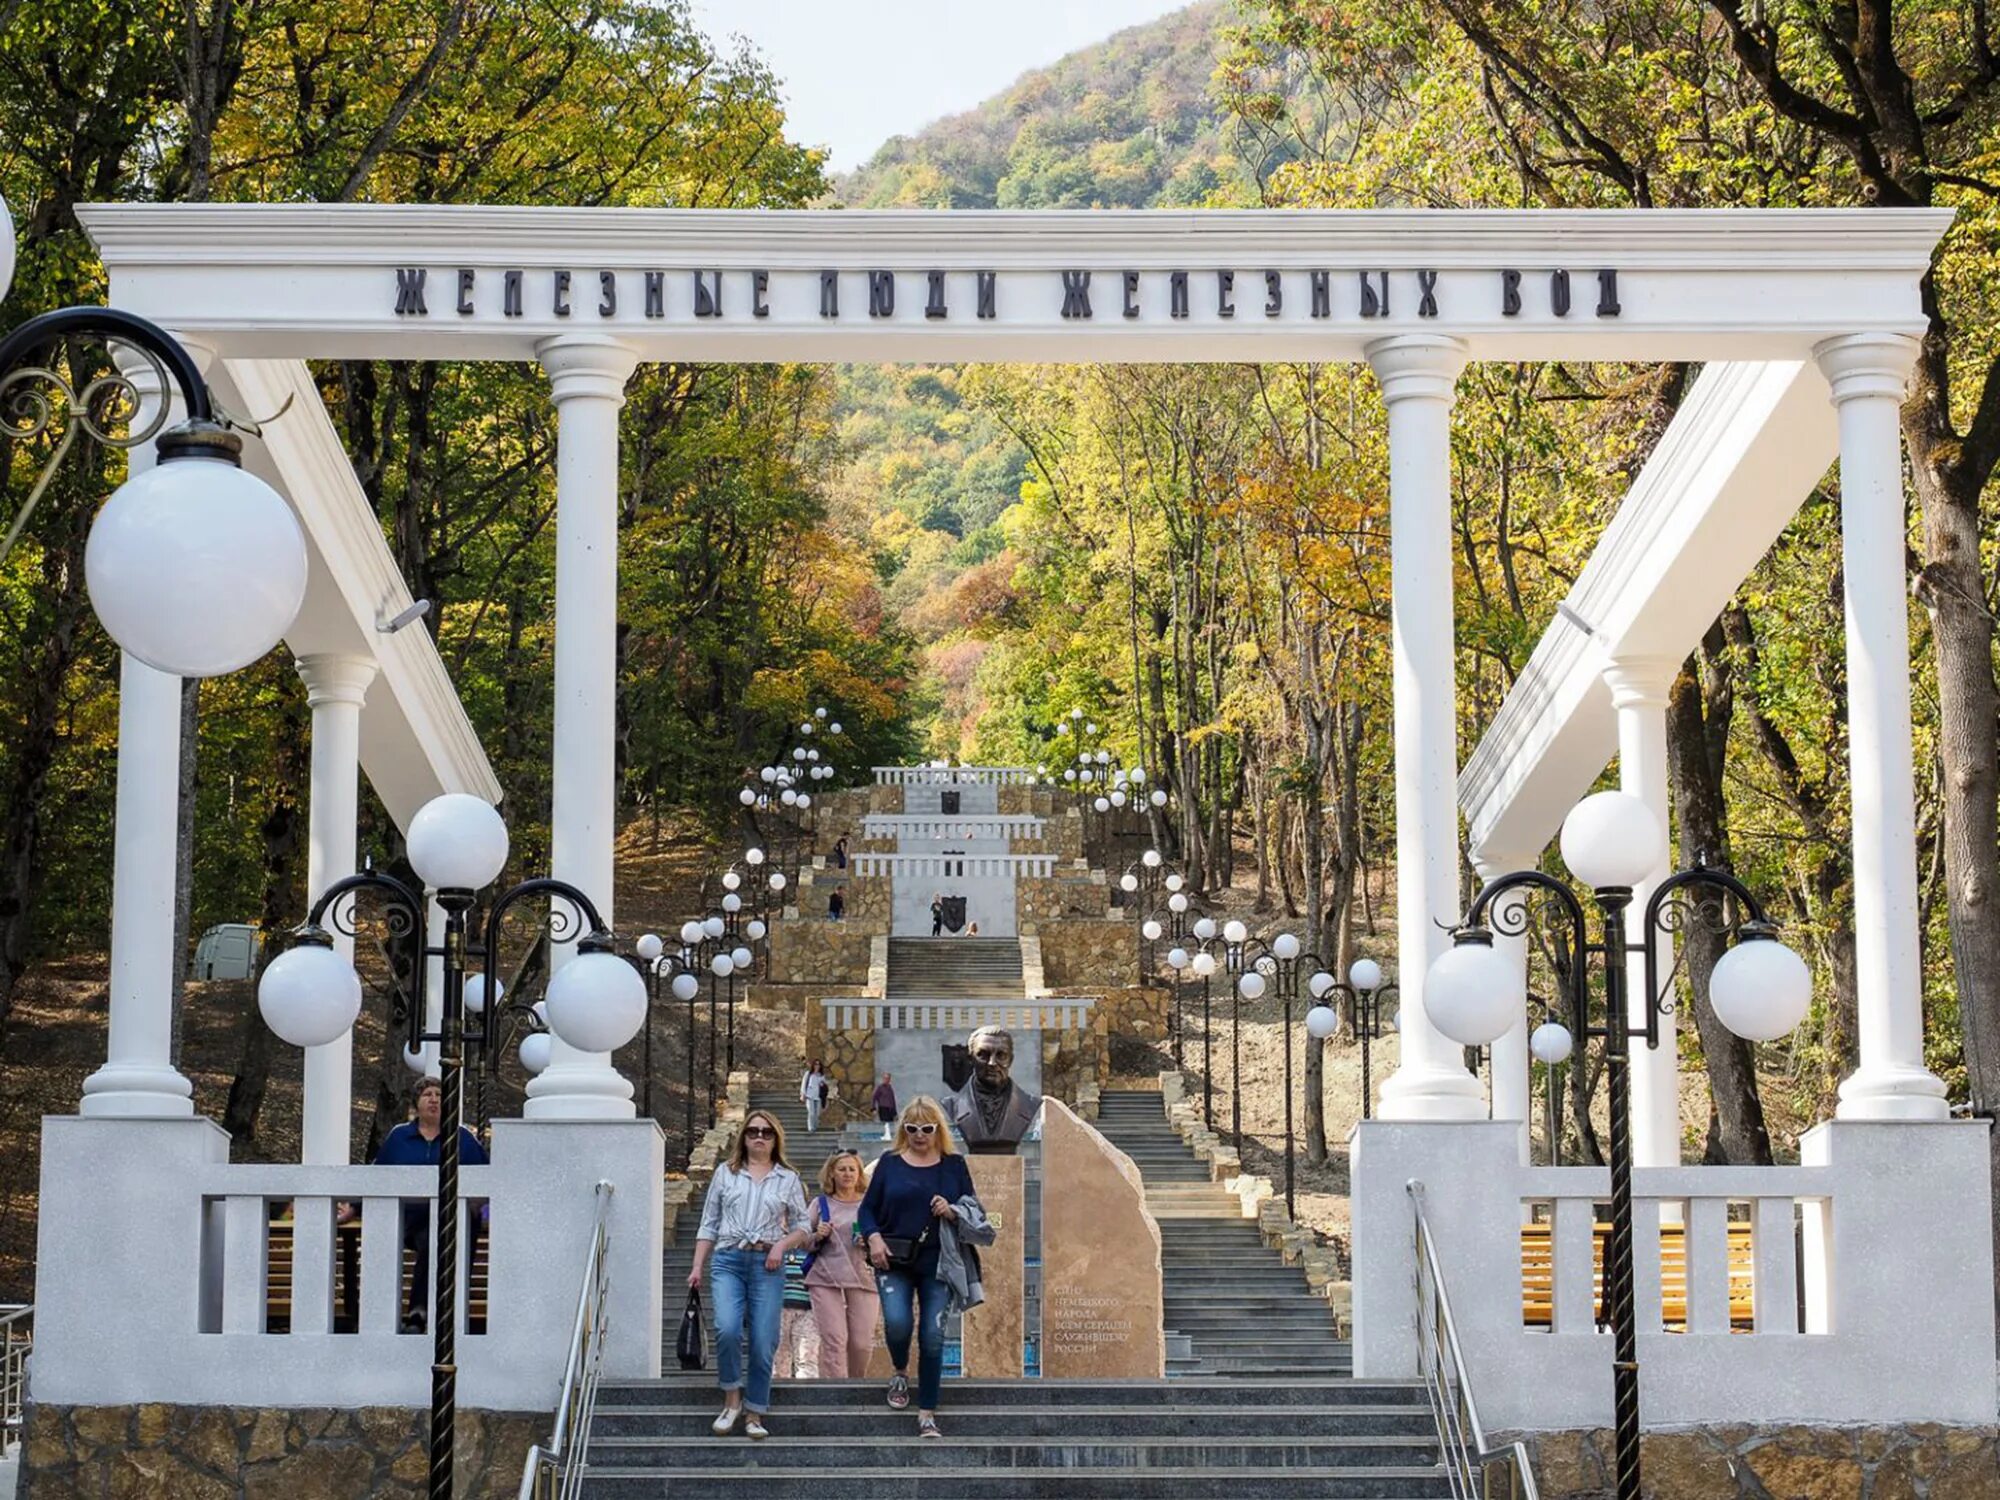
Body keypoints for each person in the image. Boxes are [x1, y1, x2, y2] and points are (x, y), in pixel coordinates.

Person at [858, 1096, 984, 1438]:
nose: (919, 1135)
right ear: (903, 1130)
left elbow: (974, 1208)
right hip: (892, 1258)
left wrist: (952, 1210)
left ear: (938, 1130)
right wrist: (873, 1239)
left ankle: (927, 1411)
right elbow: (866, 1210)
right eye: (911, 1128)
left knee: (932, 1334)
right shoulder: (889, 1163)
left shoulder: (953, 1165)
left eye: (926, 1128)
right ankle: (900, 1370)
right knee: (898, 1325)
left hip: (939, 1262)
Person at [689, 1109, 809, 1439]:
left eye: (766, 1132)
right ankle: (732, 1400)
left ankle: (755, 1411)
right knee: (727, 1328)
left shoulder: (788, 1178)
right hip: (728, 1259)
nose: (759, 1136)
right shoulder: (725, 1174)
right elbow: (708, 1223)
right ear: (743, 1136)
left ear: (775, 1138)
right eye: (753, 1131)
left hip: (767, 1264)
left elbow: (804, 1227)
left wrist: (780, 1246)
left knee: (763, 1338)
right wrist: (698, 1265)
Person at [340, 1077, 488, 1335]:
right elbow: (377, 1177)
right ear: (416, 1103)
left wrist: (482, 1210)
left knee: (438, 1239)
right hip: (407, 1219)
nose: (433, 1099)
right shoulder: (399, 1137)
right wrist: (353, 1208)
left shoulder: (463, 1138)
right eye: (427, 1094)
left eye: (439, 1095)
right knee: (416, 1239)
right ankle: (376, 1314)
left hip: (451, 1220)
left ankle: (421, 1312)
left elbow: (487, 1181)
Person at [804, 1150, 879, 1377]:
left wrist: (871, 1240)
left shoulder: (871, 1205)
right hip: (825, 1278)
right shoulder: (820, 1204)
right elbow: (800, 1240)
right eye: (842, 1169)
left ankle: (856, 1387)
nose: (847, 1174)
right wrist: (817, 1235)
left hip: (864, 1277)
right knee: (834, 1339)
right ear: (832, 1174)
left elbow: (886, 1239)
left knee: (862, 1343)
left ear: (859, 1173)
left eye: (852, 1169)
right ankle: (835, 1392)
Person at [775, 1245, 820, 1379]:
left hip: (809, 1310)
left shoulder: (814, 1244)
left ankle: (807, 1396)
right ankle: (778, 1396)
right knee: (779, 1358)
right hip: (778, 1309)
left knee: (807, 1355)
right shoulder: (774, 1241)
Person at [800, 1058, 829, 1133]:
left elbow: (825, 1086)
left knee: (817, 1114)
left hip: (818, 1097)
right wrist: (803, 1094)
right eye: (816, 1064)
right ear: (813, 1065)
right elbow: (804, 1084)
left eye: (818, 1064)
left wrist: (823, 1085)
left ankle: (815, 1127)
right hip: (810, 1096)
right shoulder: (808, 1074)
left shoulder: (821, 1075)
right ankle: (811, 1128)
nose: (817, 1066)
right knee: (811, 1112)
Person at [872, 1072, 898, 1141]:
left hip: (890, 1109)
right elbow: (874, 1098)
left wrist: (895, 1112)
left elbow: (892, 1100)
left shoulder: (890, 1088)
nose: (886, 1080)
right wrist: (873, 1108)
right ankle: (884, 1136)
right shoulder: (880, 1088)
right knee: (885, 1123)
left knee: (891, 1124)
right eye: (885, 1078)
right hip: (883, 1108)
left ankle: (889, 1137)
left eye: (887, 1079)